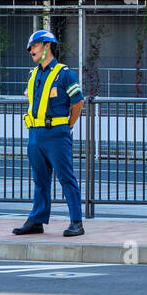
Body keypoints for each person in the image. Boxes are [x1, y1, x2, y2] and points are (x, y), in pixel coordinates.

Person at [13, 29, 86, 237]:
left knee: (66, 177)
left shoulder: (65, 74)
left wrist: (68, 125)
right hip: (35, 134)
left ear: (47, 46)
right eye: (30, 48)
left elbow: (78, 101)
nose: (31, 50)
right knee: (40, 179)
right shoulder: (33, 74)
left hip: (56, 134)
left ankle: (76, 222)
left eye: (34, 46)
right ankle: (37, 220)